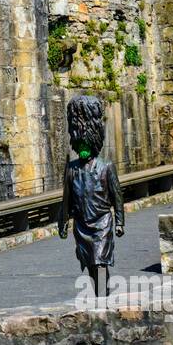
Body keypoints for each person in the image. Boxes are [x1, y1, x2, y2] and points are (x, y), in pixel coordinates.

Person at [57, 95, 125, 297]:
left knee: (100, 260)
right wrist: (62, 222)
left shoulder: (107, 167)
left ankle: (102, 297)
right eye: (81, 146)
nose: (83, 150)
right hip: (81, 224)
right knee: (90, 263)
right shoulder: (71, 169)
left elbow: (117, 197)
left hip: (102, 221)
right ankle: (99, 292)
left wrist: (120, 222)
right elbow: (66, 198)